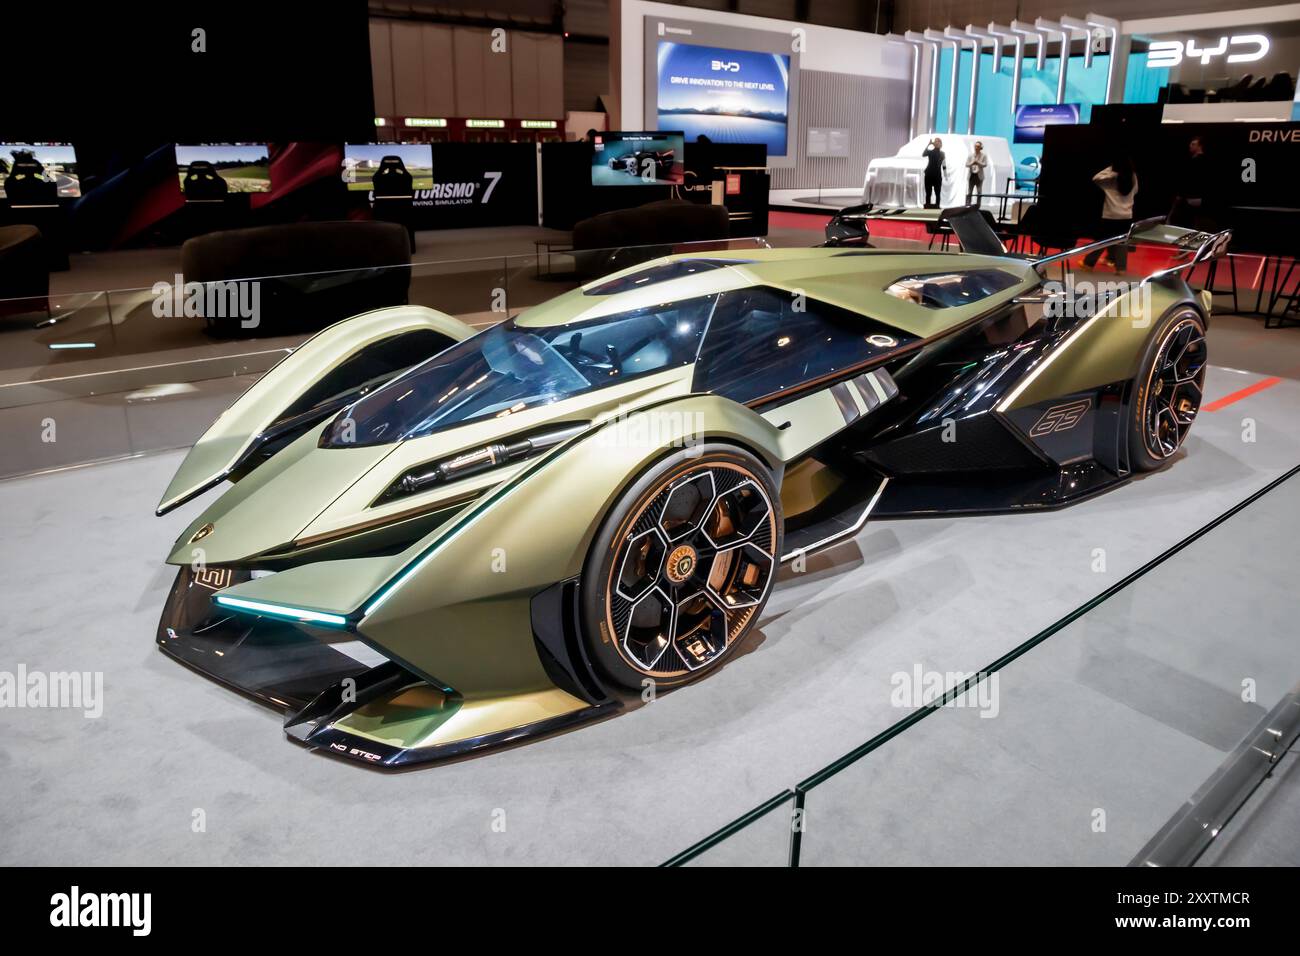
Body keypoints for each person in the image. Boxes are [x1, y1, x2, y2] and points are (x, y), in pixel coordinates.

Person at [1082, 155, 1138, 272]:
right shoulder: (1132, 176)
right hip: (1126, 215)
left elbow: (1095, 178)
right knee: (1122, 242)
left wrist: (1112, 171)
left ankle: (1088, 263)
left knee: (1103, 241)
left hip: (1110, 215)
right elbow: (1136, 191)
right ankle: (1121, 269)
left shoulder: (1110, 180)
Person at [922, 137, 945, 207]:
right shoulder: (930, 152)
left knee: (937, 193)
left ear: (941, 144)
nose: (937, 142)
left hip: (937, 175)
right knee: (928, 192)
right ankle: (927, 206)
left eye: (938, 142)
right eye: (935, 141)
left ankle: (937, 206)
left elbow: (944, 164)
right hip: (929, 174)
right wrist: (929, 144)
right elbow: (923, 154)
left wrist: (946, 173)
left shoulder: (942, 153)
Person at [965, 141, 988, 206]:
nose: (976, 148)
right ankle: (968, 206)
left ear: (981, 147)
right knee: (969, 192)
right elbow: (966, 164)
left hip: (979, 176)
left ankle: (978, 206)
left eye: (978, 146)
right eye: (975, 146)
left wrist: (978, 162)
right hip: (971, 175)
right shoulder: (970, 155)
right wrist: (972, 163)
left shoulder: (983, 156)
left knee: (979, 192)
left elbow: (985, 164)